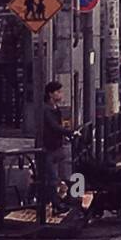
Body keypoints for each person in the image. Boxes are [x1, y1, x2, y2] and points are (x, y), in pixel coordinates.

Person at [41, 81, 71, 213]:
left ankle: (57, 201)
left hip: (57, 146)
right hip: (48, 147)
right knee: (52, 178)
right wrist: (69, 132)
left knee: (59, 177)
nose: (61, 94)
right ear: (50, 94)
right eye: (58, 92)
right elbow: (54, 127)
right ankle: (55, 205)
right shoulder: (46, 109)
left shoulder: (56, 108)